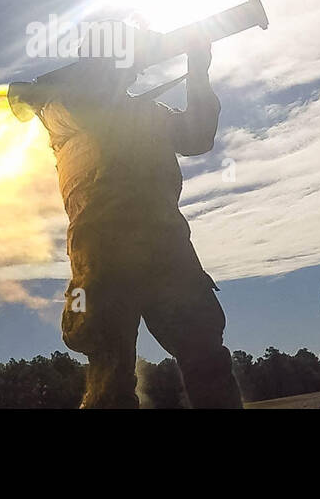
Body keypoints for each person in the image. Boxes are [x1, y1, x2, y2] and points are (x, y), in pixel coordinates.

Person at [23, 27, 242, 408]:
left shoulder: (142, 112)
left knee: (205, 357)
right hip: (102, 262)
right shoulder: (63, 111)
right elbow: (83, 109)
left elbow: (198, 136)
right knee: (110, 372)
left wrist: (198, 71)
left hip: (163, 253)